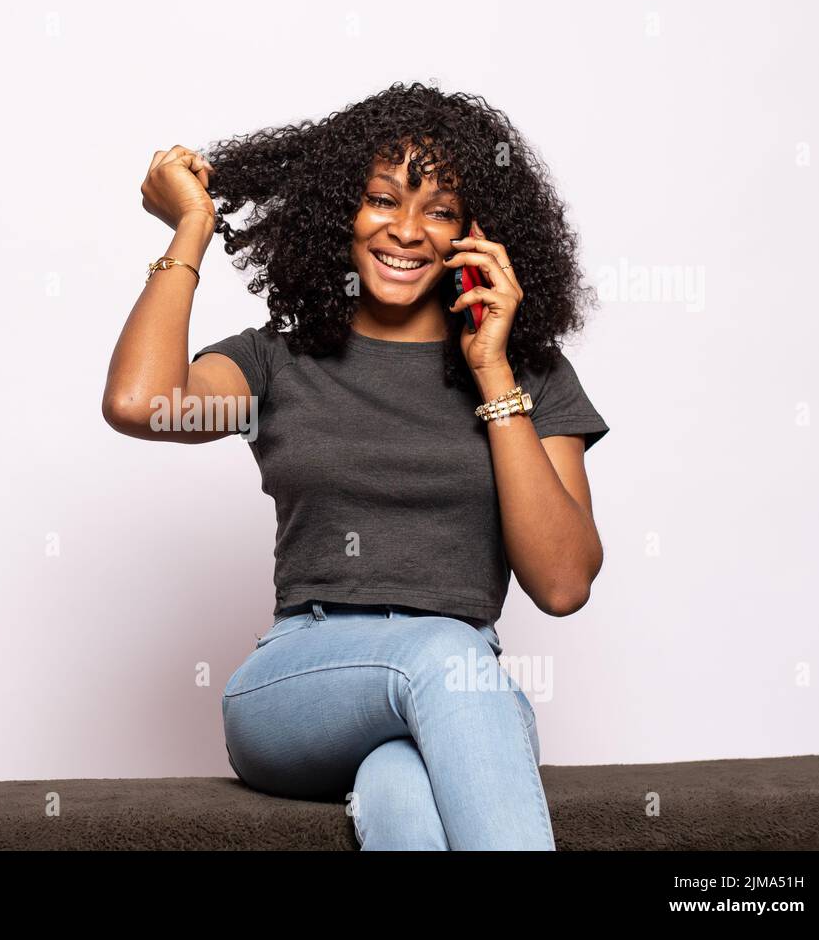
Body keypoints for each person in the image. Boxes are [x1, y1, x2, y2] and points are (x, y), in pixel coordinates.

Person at [101, 82, 610, 850]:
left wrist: (493, 372)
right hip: (301, 680)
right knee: (446, 658)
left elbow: (564, 583)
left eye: (439, 210)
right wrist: (193, 228)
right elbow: (141, 402)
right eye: (382, 200)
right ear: (341, 211)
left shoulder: (526, 373)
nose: (407, 231)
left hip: (457, 692)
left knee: (403, 791)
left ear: (475, 234)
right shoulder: (278, 361)